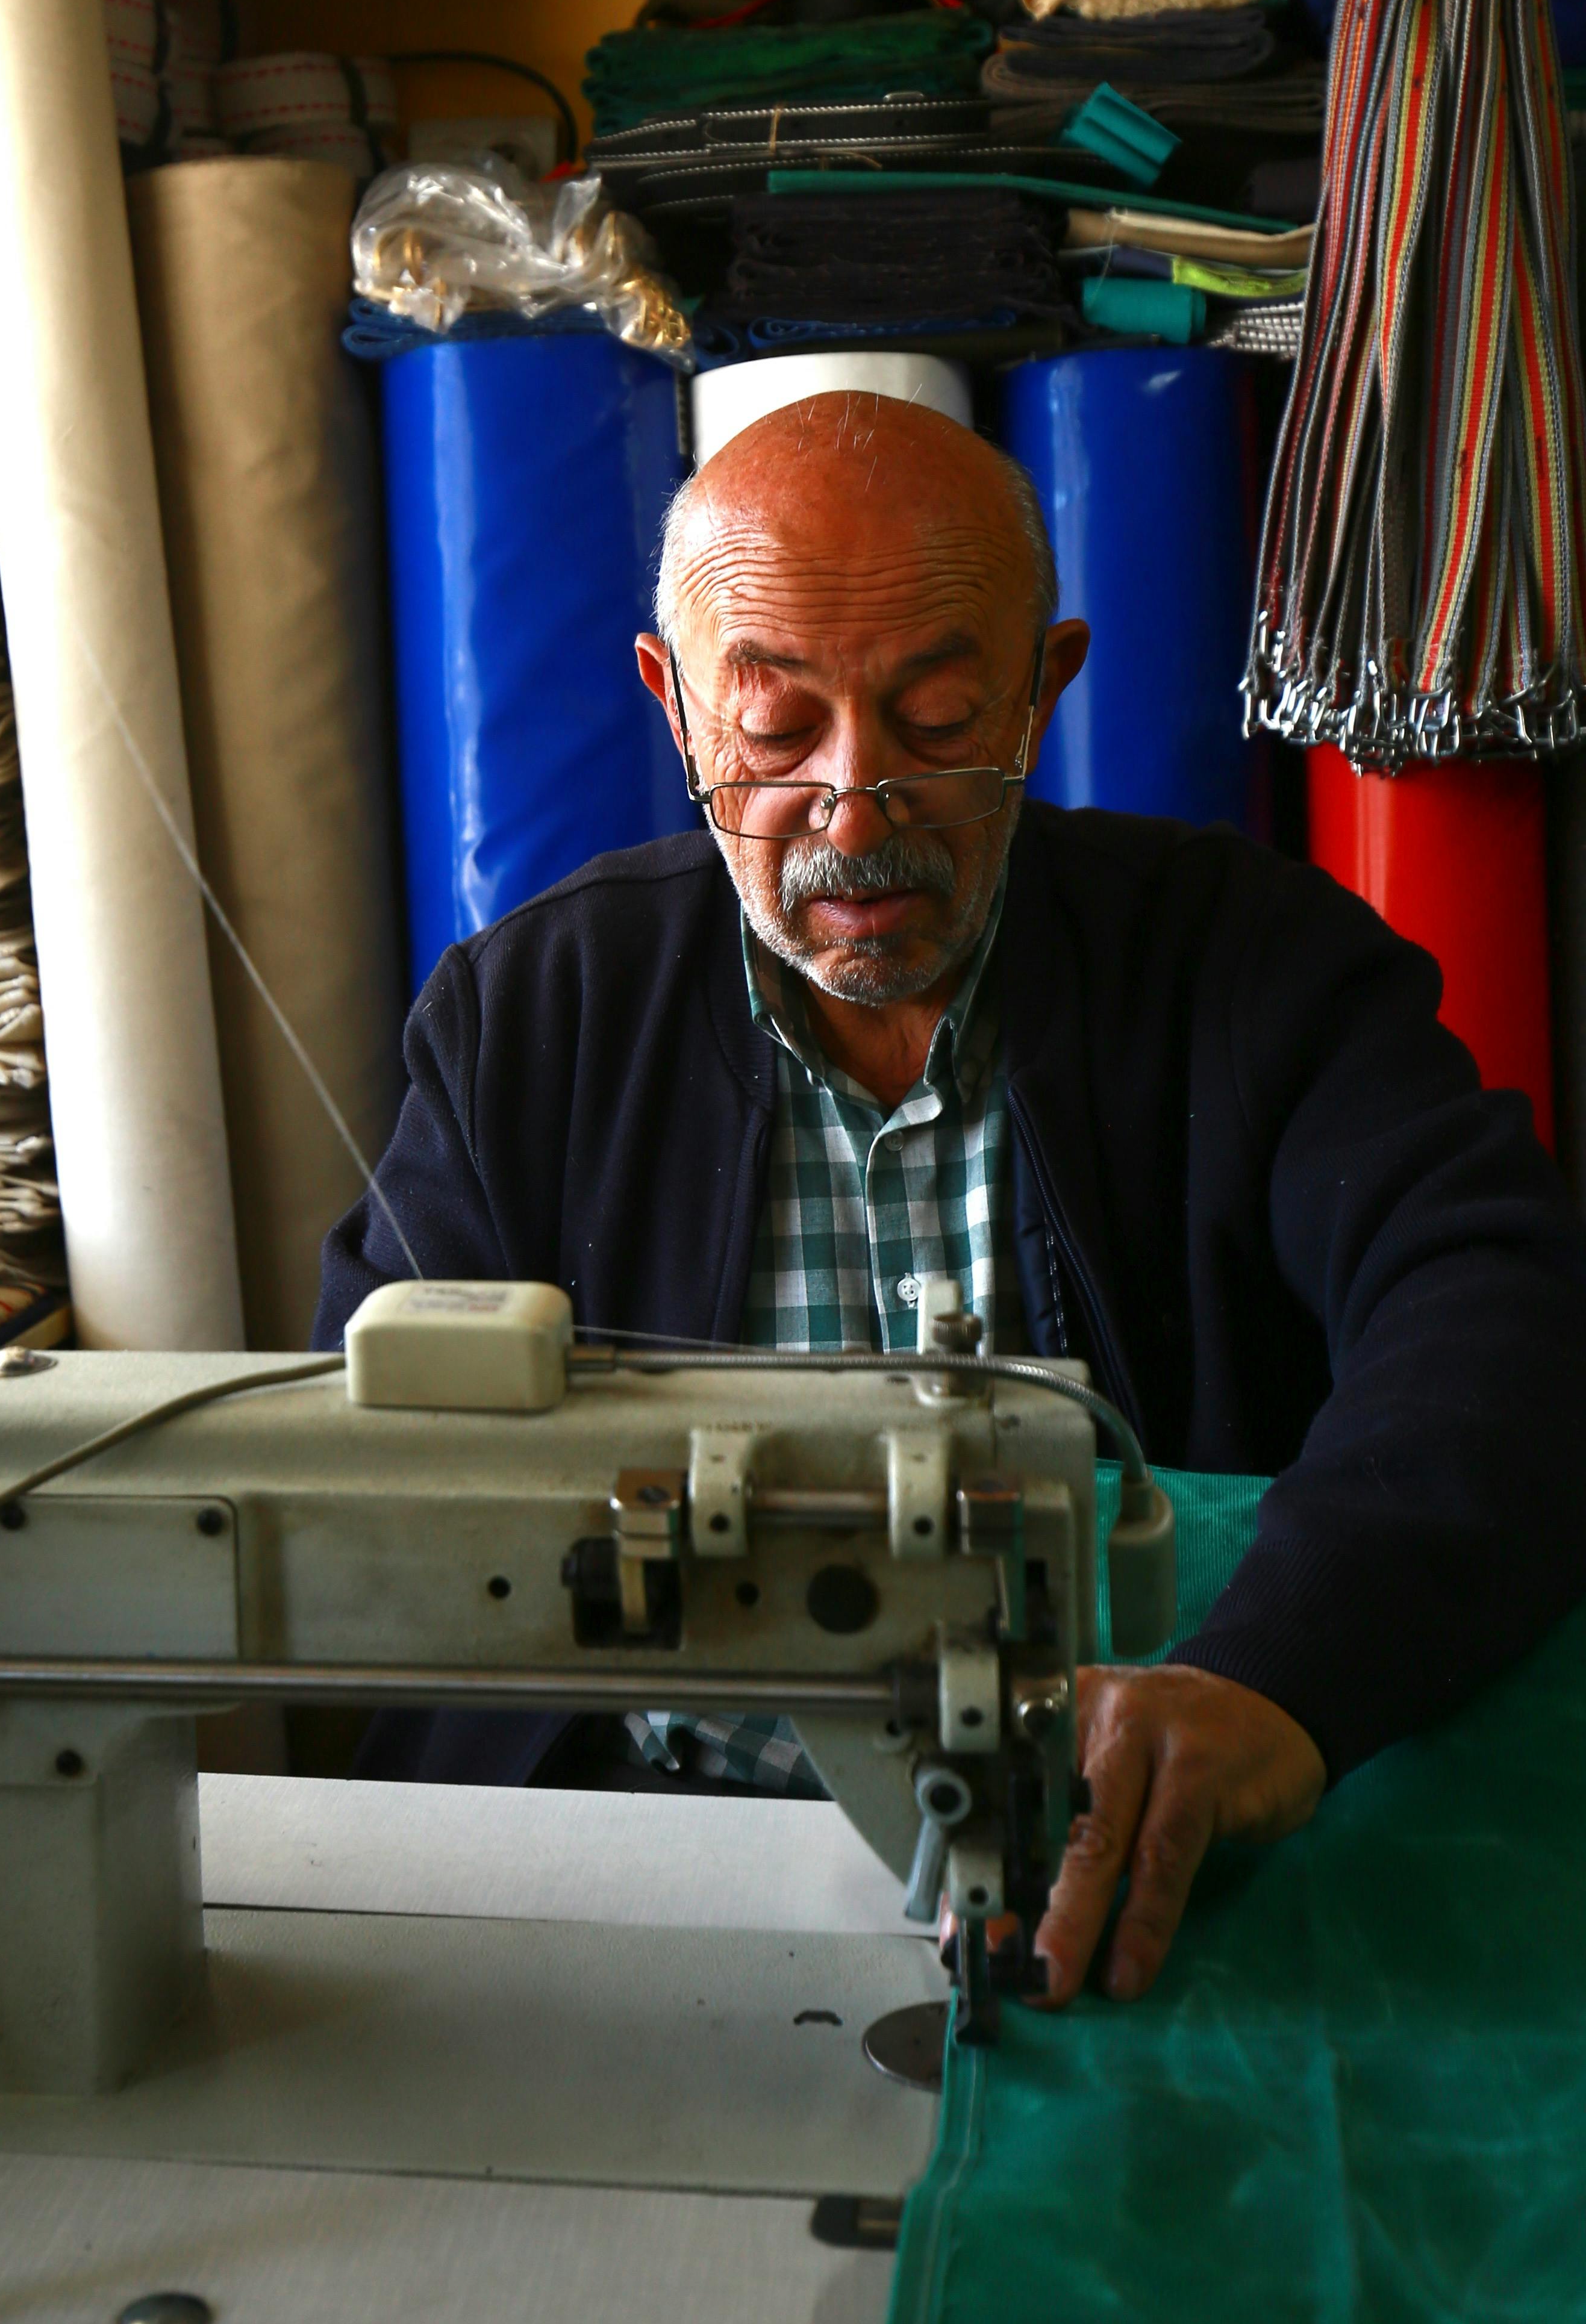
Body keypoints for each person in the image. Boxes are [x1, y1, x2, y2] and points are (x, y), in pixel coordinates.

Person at [316, 393, 1586, 2005]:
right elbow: (377, 1473)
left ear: (1045, 689)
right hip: (646, 1859)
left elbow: (1501, 1320)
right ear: (676, 708)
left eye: (934, 721)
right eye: (776, 729)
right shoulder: (533, 1023)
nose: (856, 808)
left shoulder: (1250, 970)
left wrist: (1279, 1679)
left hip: (1140, 1849)